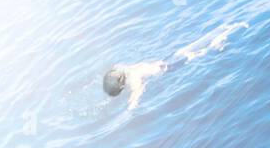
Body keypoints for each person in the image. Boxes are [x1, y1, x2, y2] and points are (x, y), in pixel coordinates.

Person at [103, 22, 245, 109]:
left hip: (169, 67)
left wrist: (132, 105)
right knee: (190, 49)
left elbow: (138, 90)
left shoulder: (134, 78)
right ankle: (228, 28)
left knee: (198, 54)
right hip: (164, 60)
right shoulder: (126, 69)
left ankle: (219, 41)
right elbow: (117, 66)